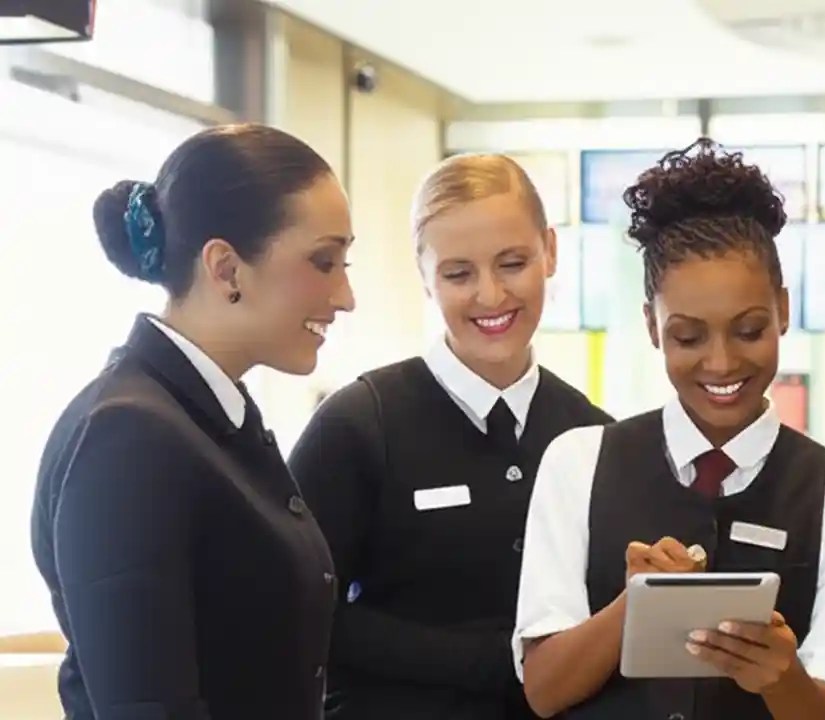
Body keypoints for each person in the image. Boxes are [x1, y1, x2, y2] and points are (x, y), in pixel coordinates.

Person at [514, 138, 825, 720]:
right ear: (652, 326)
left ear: (783, 310)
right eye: (688, 336)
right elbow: (544, 690)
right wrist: (632, 606)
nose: (720, 363)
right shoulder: (577, 463)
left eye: (749, 330)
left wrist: (780, 674)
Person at [30, 123, 356, 719]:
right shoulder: (129, 437)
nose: (345, 294)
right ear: (226, 268)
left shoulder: (207, 417)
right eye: (323, 261)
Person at [287, 153, 613, 719]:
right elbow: (299, 616)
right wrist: (503, 660)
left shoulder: (594, 435)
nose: (490, 296)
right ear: (423, 275)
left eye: (512, 263)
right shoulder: (358, 425)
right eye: (458, 274)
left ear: (551, 252)